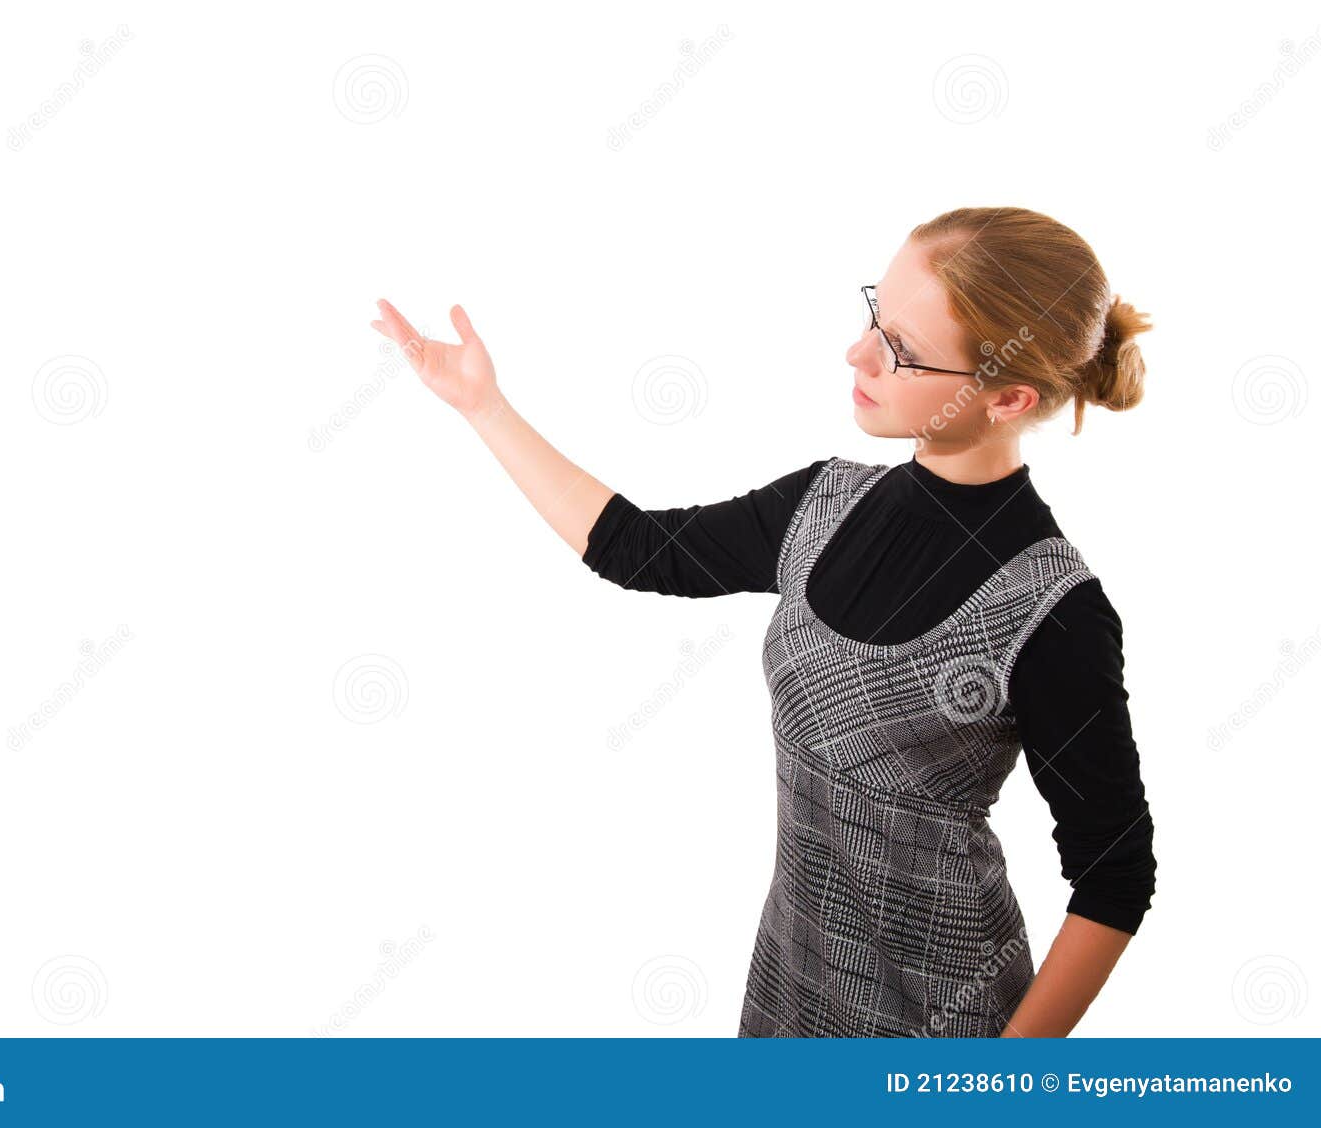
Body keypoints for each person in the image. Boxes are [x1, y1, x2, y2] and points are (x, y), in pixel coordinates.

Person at [369, 205, 1157, 1038]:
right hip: (790, 986)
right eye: (872, 317)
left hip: (941, 1027)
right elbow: (639, 550)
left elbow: (1114, 874)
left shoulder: (1053, 613)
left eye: (900, 348)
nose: (859, 353)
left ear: (1008, 397)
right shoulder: (822, 505)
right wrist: (482, 405)